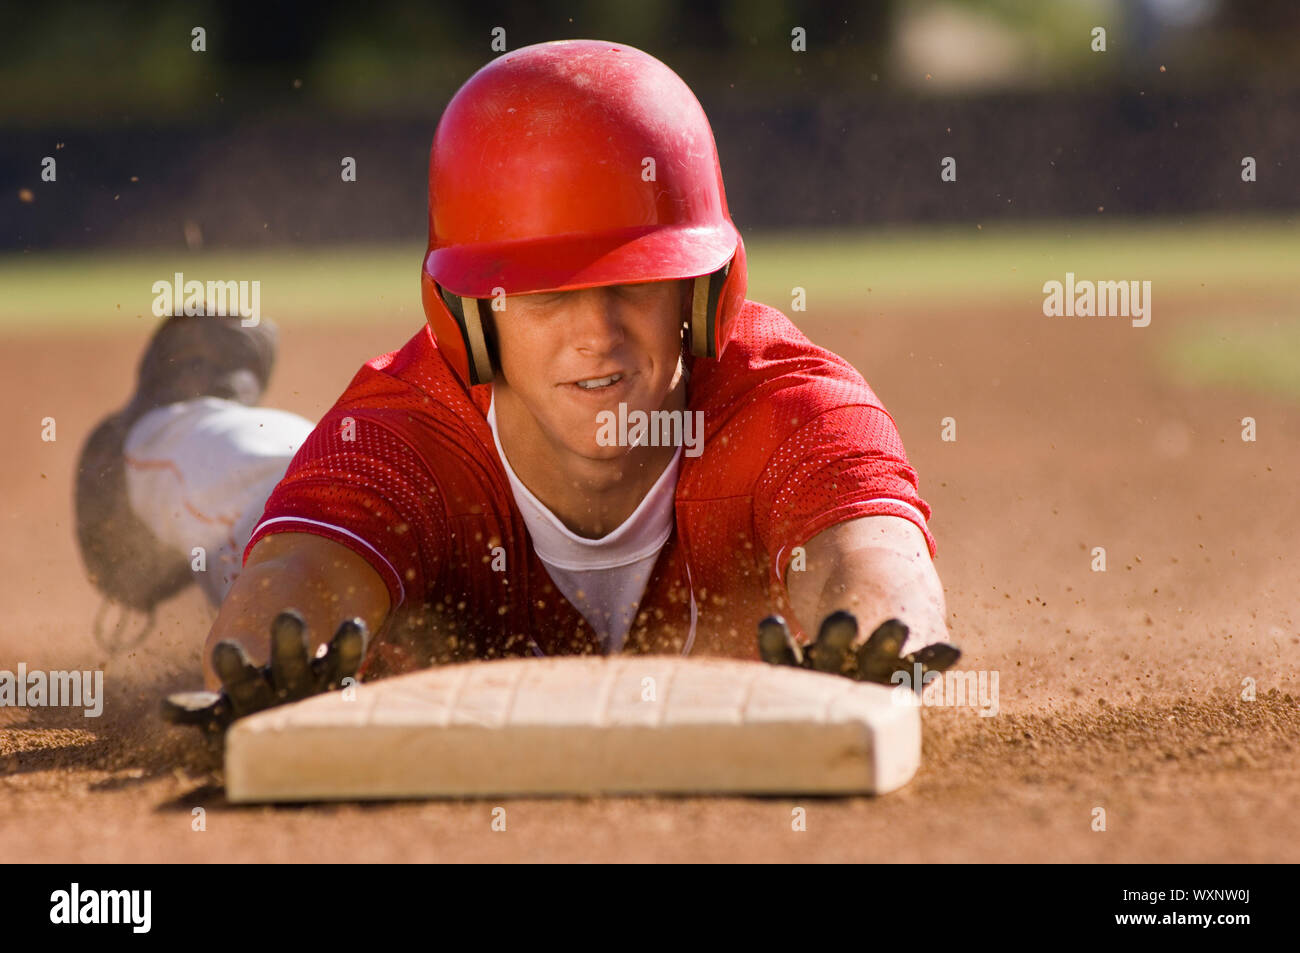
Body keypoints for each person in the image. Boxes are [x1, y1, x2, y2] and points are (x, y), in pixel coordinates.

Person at [75, 40, 958, 727]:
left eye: (637, 282)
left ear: (704, 292)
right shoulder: (399, 439)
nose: (598, 333)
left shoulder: (792, 406)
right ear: (466, 314)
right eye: (542, 294)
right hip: (312, 489)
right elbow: (290, 588)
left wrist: (875, 645)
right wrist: (274, 659)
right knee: (259, 478)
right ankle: (171, 414)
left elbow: (878, 564)